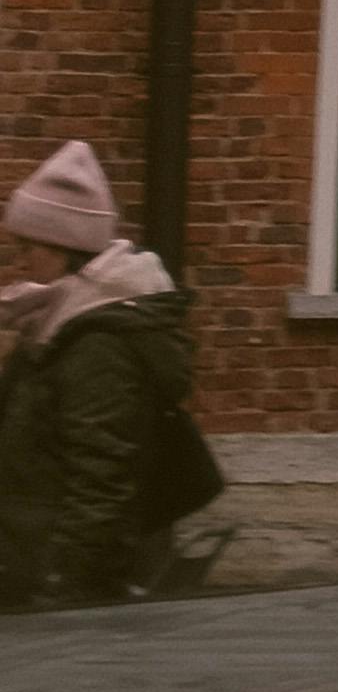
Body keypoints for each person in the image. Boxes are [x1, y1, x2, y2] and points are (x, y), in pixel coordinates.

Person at [0, 140, 215, 612]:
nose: (19, 261)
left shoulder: (99, 345)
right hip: (26, 563)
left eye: (27, 247)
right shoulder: (50, 323)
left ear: (66, 249)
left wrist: (65, 587)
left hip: (56, 586)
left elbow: (103, 478)